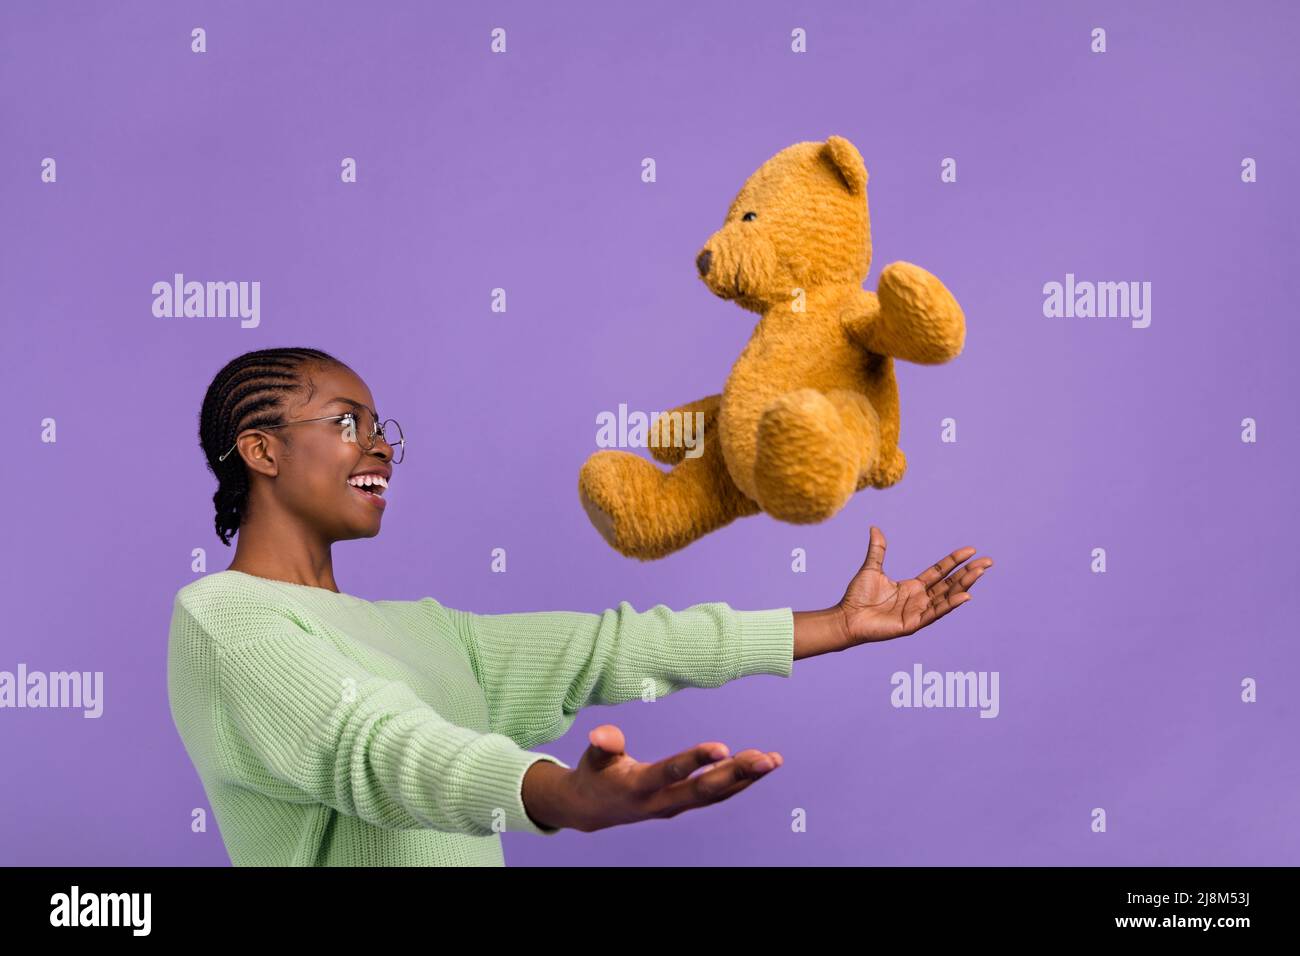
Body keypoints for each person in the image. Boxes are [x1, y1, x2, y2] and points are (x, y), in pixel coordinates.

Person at [167, 346, 994, 866]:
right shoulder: (225, 620)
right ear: (263, 449)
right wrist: (562, 797)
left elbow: (614, 649)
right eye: (347, 423)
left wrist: (834, 625)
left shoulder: (419, 630)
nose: (380, 445)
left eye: (384, 428)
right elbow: (384, 751)